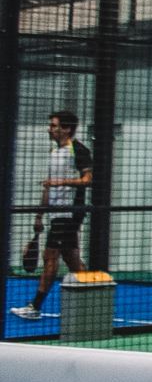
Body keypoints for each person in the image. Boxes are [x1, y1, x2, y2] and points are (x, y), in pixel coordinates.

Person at [10, 111, 93, 322]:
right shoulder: (54, 151)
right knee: (72, 260)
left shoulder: (79, 150)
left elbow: (87, 179)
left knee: (50, 257)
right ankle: (95, 303)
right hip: (56, 214)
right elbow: (48, 187)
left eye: (54, 125)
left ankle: (35, 306)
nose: (50, 129)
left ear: (66, 129)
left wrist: (62, 182)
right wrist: (39, 216)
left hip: (70, 213)